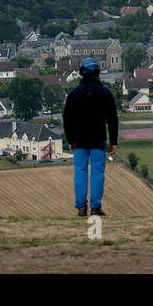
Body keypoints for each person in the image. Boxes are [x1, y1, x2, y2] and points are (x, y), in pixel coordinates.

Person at [62, 57, 118, 217]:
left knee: (80, 171)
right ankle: (95, 208)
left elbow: (67, 118)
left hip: (79, 139)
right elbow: (112, 119)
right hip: (98, 139)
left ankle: (81, 208)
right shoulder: (105, 93)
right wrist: (114, 141)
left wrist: (70, 139)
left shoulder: (73, 94)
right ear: (97, 74)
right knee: (97, 172)